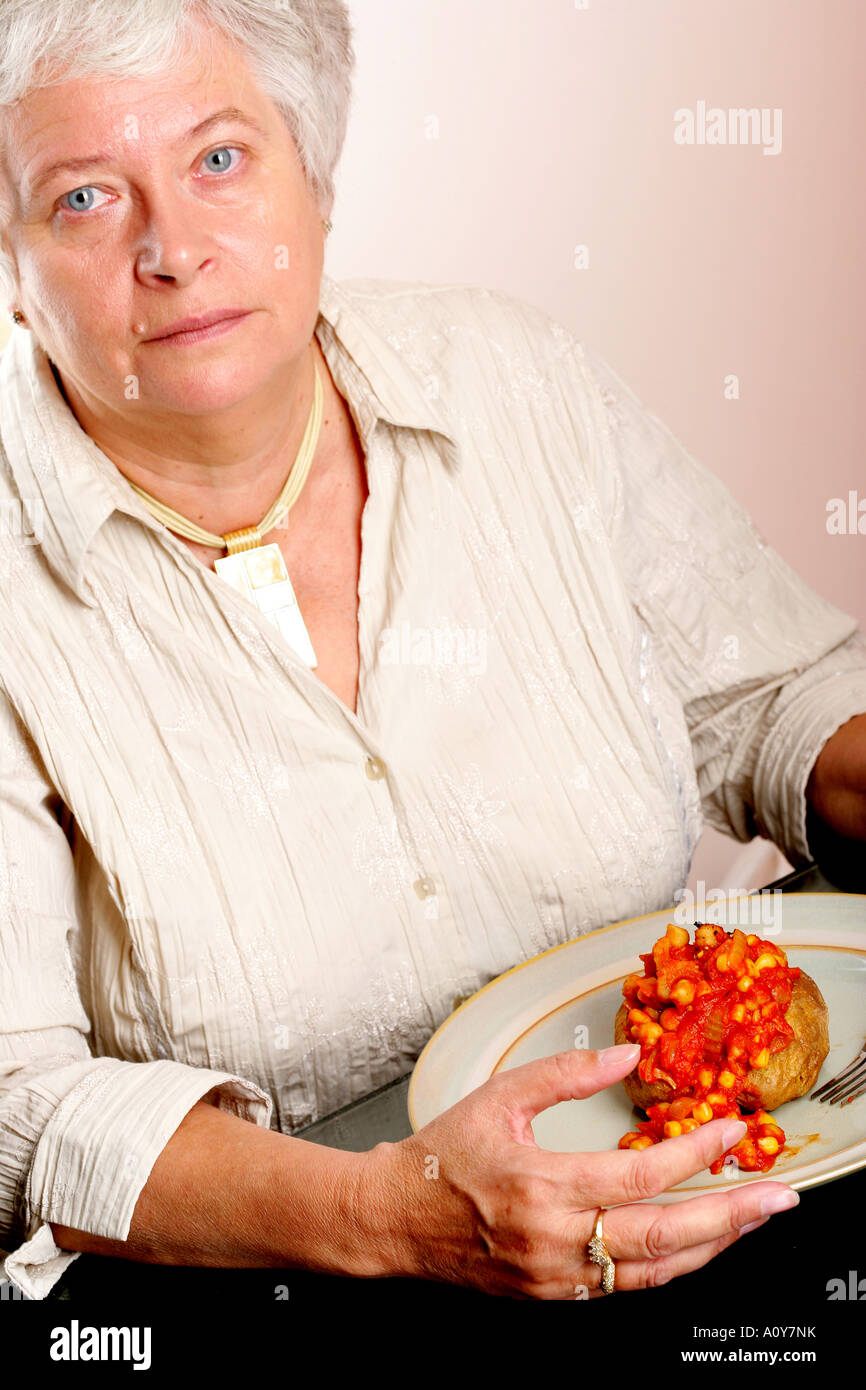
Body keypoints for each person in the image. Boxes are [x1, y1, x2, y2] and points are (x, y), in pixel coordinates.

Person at [0, 0, 864, 1304]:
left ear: (318, 176)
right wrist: (391, 1215)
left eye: (220, 159)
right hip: (264, 1286)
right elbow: (21, 1102)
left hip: (704, 1191)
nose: (171, 247)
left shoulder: (513, 379)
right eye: (81, 200)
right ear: (11, 262)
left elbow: (767, 695)